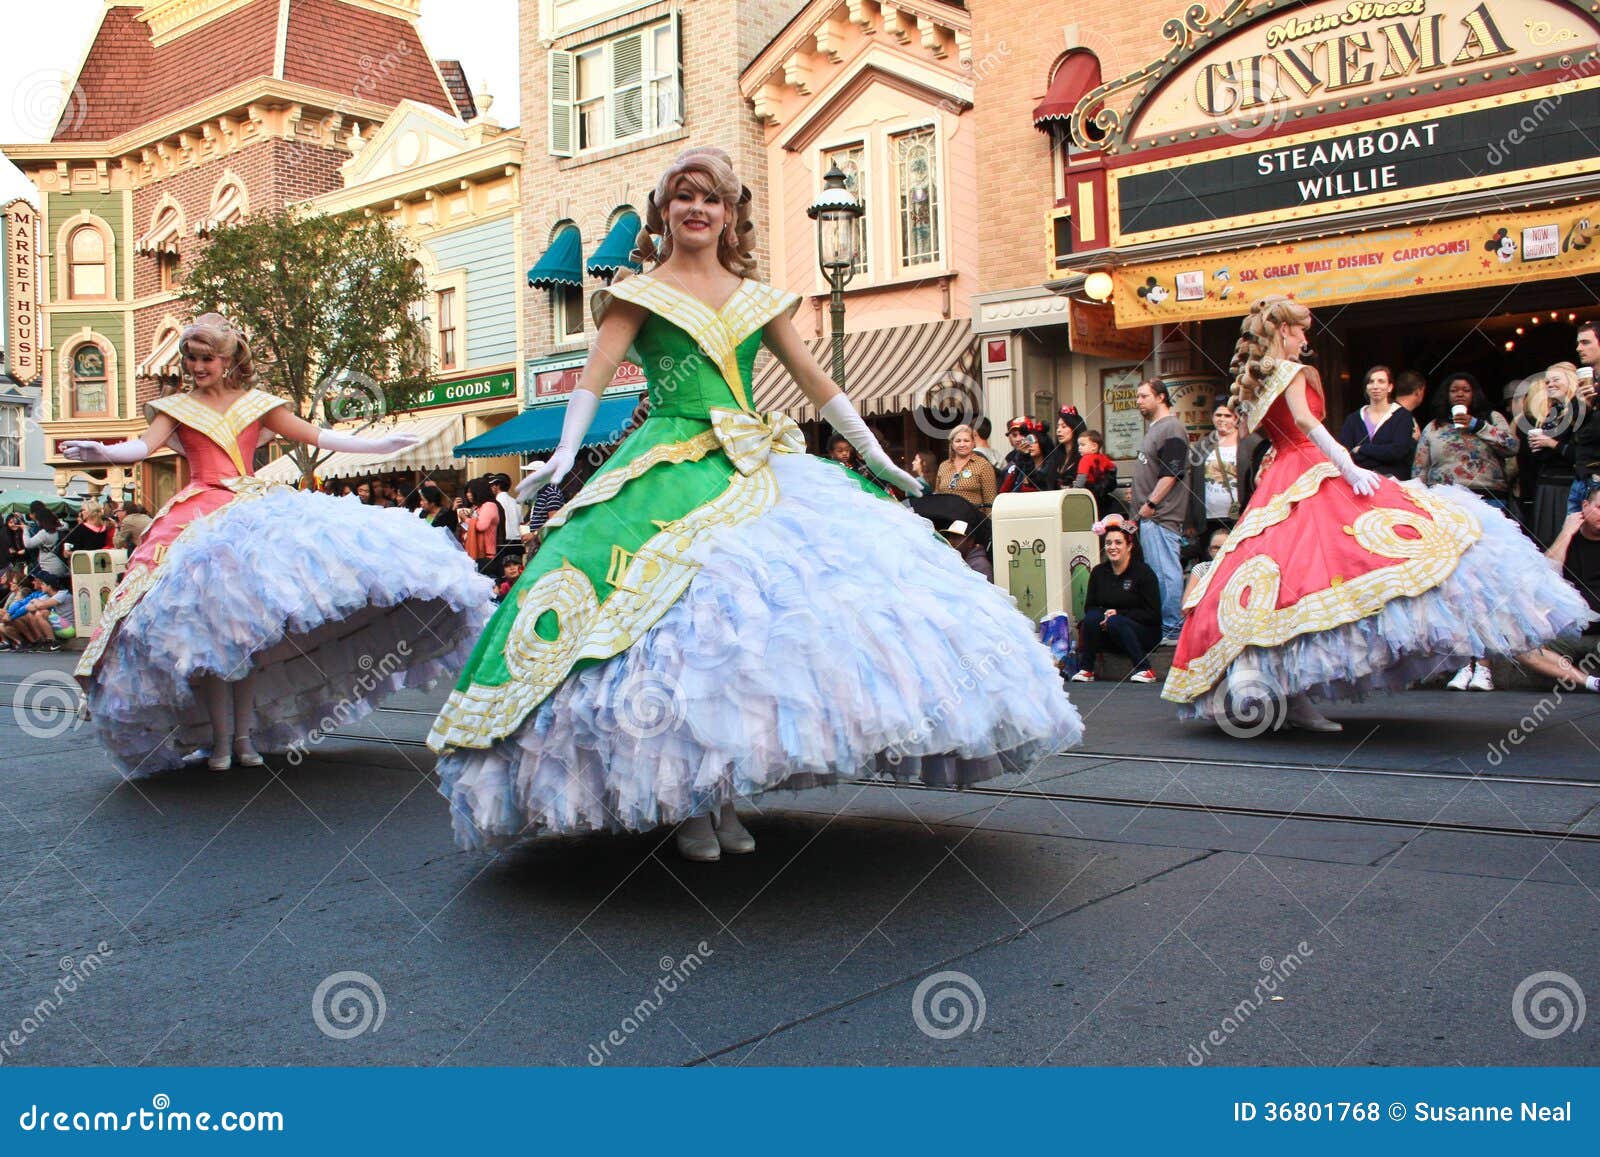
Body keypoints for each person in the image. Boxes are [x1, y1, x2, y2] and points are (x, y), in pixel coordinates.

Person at [429, 146, 1081, 861]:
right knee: (670, 636)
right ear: (664, 213)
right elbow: (593, 377)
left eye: (710, 198)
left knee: (747, 643)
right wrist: (563, 454)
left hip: (758, 464)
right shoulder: (640, 294)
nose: (697, 209)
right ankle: (687, 799)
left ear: (731, 213)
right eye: (683, 197)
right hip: (669, 461)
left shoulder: (757, 298)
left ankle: (725, 793)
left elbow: (817, 383)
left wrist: (876, 456)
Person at [61, 312, 492, 773]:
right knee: (210, 637)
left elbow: (317, 435)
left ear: (228, 359)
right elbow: (143, 448)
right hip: (199, 516)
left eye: (206, 357)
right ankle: (221, 742)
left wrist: (380, 445)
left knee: (249, 641)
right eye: (191, 358)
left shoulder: (257, 404)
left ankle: (243, 740)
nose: (197, 366)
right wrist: (104, 452)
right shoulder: (176, 408)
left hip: (253, 514)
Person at [1163, 296, 1591, 732]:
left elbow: (1279, 435)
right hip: (1309, 469)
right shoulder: (1288, 372)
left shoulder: (1259, 383)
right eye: (1301, 331)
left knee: (1298, 578)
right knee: (1329, 568)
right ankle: (1292, 695)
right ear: (1283, 333)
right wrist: (1348, 468)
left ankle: (1291, 694)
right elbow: (1308, 426)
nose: (1306, 339)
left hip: (1286, 474)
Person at [1414, 371, 1521, 691]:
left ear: (1475, 394)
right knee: (1456, 590)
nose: (1459, 395)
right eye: (1454, 390)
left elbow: (1513, 446)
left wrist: (1477, 426)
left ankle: (1485, 666)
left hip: (1488, 505)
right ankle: (1463, 663)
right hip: (1447, 510)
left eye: (1466, 389)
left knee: (1485, 588)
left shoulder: (1491, 420)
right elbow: (1420, 470)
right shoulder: (1434, 427)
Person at [1516, 486, 1600, 691]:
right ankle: (1591, 682)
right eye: (1599, 507)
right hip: (1569, 633)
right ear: (1585, 506)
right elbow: (1544, 576)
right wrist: (1567, 532)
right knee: (1523, 649)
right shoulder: (1566, 539)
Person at [1130, 380, 1189, 643]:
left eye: (1144, 396)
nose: (1139, 401)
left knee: (1166, 573)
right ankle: (1165, 628)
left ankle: (1172, 629)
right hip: (1149, 516)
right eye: (1138, 397)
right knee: (1156, 573)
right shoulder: (1155, 429)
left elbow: (1172, 472)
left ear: (1161, 397)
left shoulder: (1172, 428)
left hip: (1161, 515)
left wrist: (1151, 504)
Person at [1071, 516, 1162, 684]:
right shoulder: (1098, 572)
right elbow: (1089, 607)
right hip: (1109, 632)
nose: (1112, 547)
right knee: (1091, 618)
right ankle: (1086, 669)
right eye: (1108, 543)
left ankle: (1145, 669)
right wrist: (1104, 616)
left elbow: (1153, 615)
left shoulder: (1143, 573)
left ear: (1129, 546)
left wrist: (1119, 614)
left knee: (1116, 621)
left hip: (1143, 633)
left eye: (1118, 543)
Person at [1522, 362, 1583, 548]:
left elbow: (1582, 454)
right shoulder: (1552, 414)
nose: (1550, 384)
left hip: (1568, 487)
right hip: (1546, 485)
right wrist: (1537, 448)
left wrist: (1550, 443)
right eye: (1547, 381)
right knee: (1545, 544)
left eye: (1556, 380)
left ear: (1571, 382)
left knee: (1565, 543)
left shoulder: (1581, 411)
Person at [936, 424, 998, 523]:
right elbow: (938, 496)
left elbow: (990, 501)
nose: (962, 444)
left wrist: (990, 527)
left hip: (973, 522)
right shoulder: (943, 466)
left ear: (973, 443)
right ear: (952, 444)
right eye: (958, 441)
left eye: (966, 440)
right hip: (946, 520)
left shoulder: (983, 465)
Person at [1202, 401, 1244, 529]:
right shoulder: (1202, 445)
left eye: (1228, 416)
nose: (1222, 419)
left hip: (1241, 515)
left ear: (1236, 418)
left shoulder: (1248, 443)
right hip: (1209, 517)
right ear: (1212, 417)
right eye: (1218, 415)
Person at [1073, 429, 1126, 516]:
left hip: (1090, 492)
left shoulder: (1085, 459)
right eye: (1079, 445)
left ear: (1094, 446)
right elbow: (1113, 468)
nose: (1079, 448)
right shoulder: (1103, 458)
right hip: (1103, 494)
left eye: (1082, 445)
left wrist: (1074, 491)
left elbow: (1082, 477)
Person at [998, 416, 1055, 492]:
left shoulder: (1050, 462)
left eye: (1023, 434)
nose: (1018, 439)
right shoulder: (1013, 458)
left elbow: (1040, 485)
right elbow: (1004, 490)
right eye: (1014, 435)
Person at [461, 476, 501, 574]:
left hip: (486, 553)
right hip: (476, 553)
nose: (468, 495)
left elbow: (481, 526)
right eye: (467, 492)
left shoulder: (489, 505)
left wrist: (465, 519)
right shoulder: (477, 507)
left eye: (471, 492)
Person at [23, 502, 67, 581]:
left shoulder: (44, 533)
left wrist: (25, 529)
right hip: (61, 565)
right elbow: (65, 525)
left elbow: (28, 544)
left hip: (49, 568)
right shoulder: (59, 529)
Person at [1045, 405, 1086, 491]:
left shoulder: (1084, 456)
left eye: (1064, 427)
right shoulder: (1055, 456)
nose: (1058, 430)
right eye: (1058, 427)